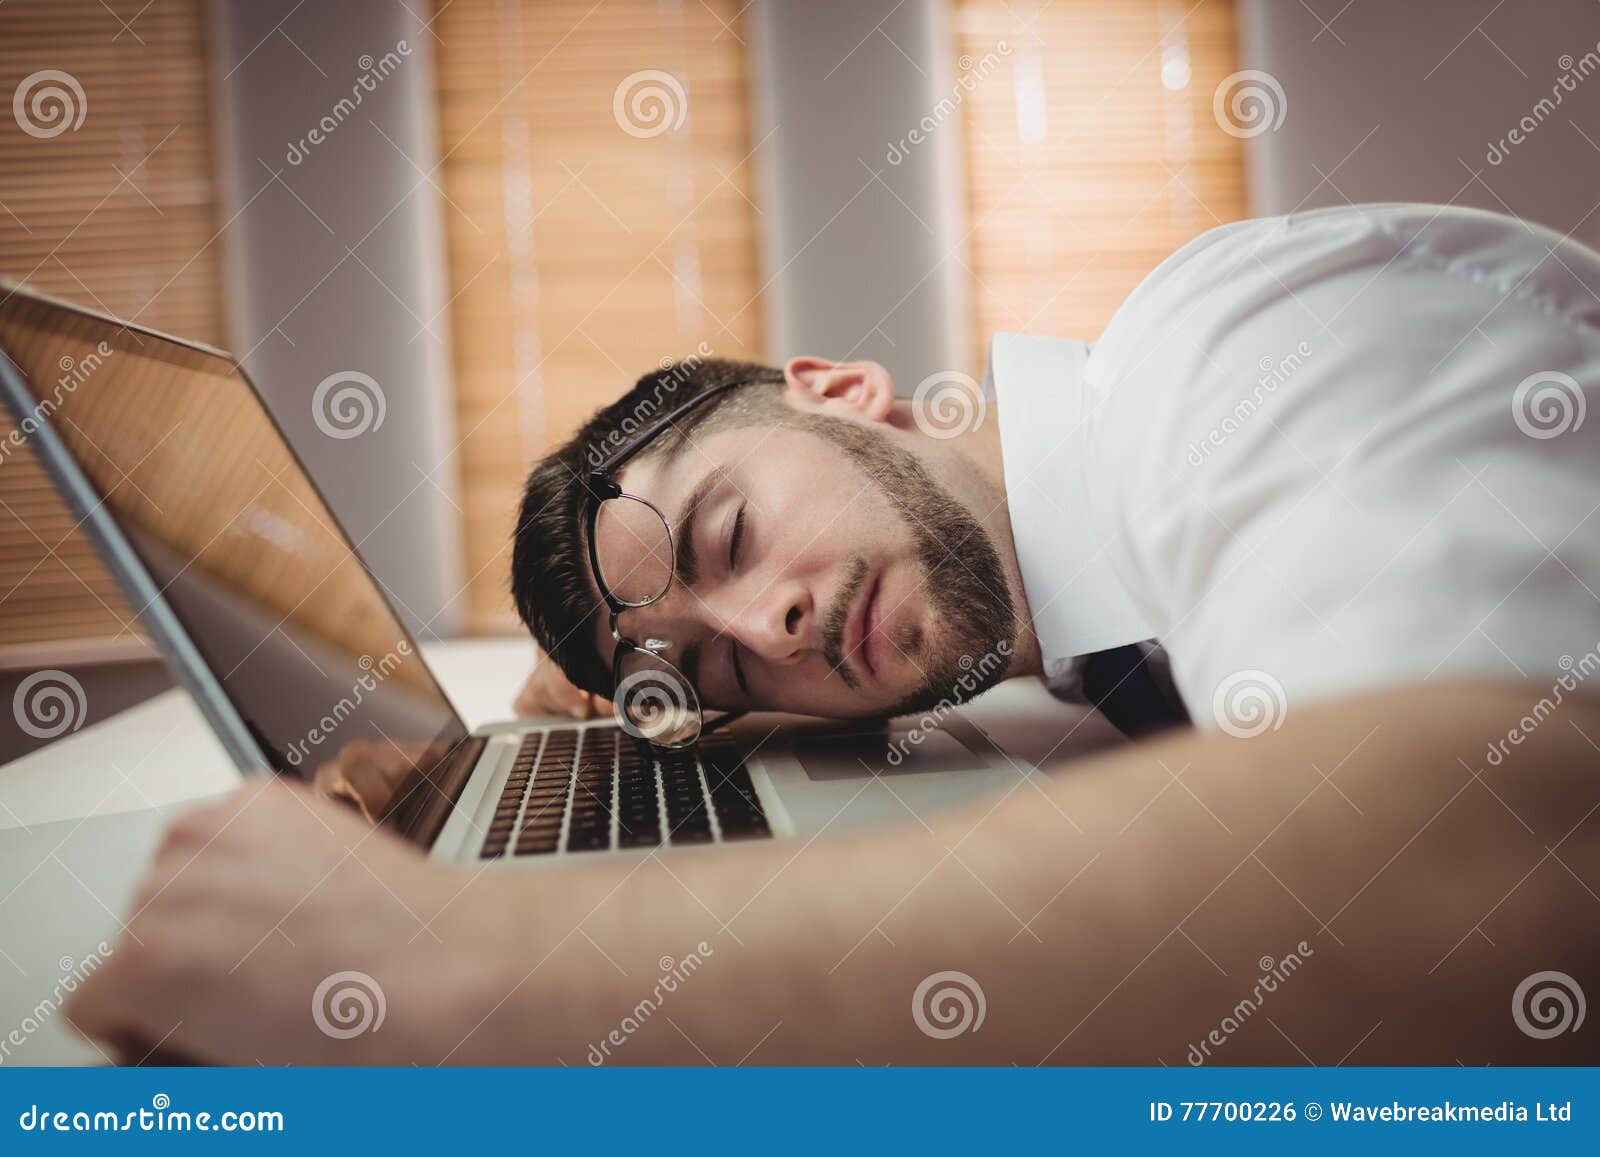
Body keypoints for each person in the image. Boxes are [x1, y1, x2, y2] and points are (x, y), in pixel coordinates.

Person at [67, 204, 1600, 1064]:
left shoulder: (1227, 341)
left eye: (728, 533)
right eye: (719, 666)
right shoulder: (1074, 646)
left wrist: (453, 962)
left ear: (841, 386)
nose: (774, 624)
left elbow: (1508, 852)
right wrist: (630, 687)